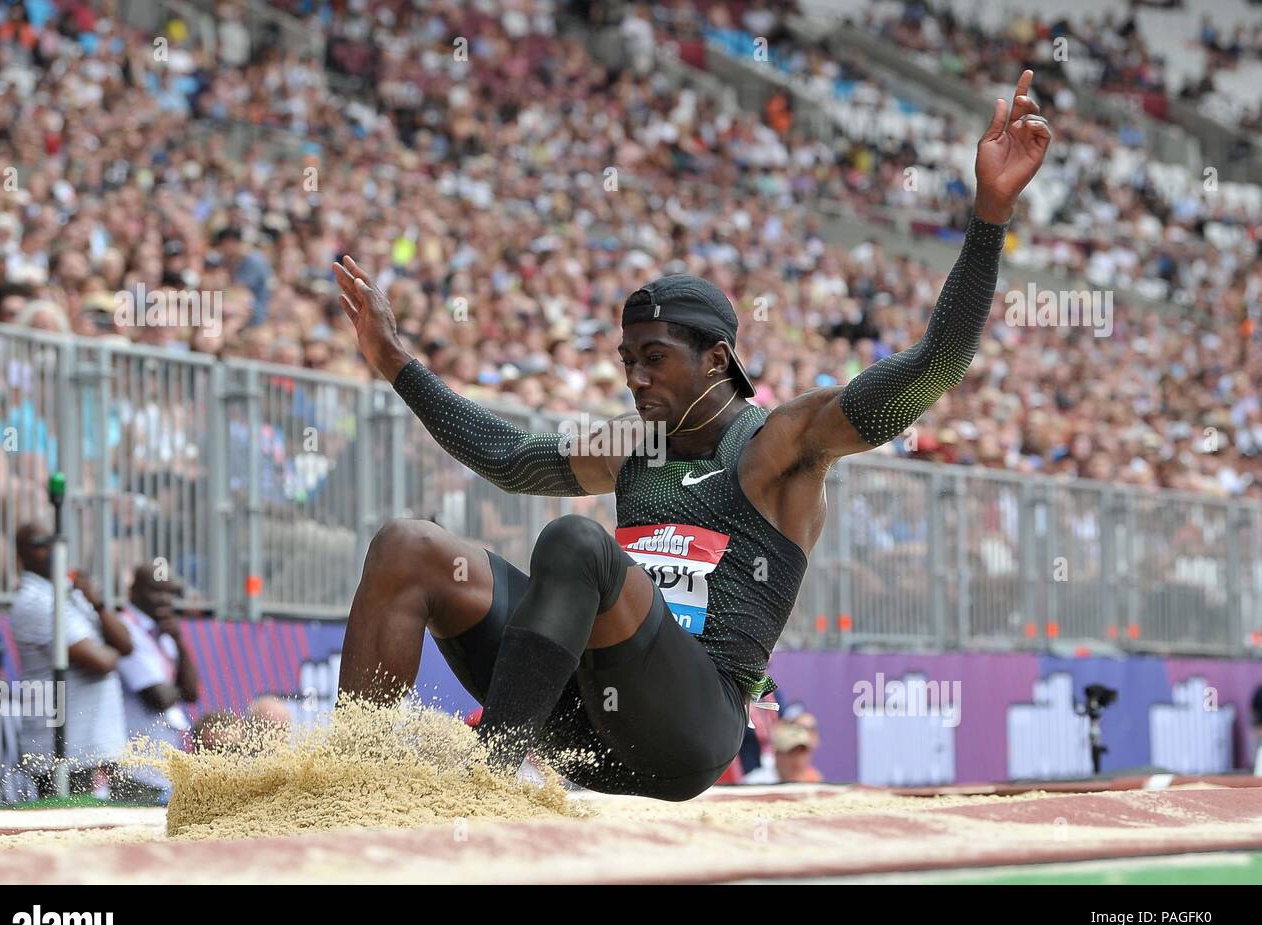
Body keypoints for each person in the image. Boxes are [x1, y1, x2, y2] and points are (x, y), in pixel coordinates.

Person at [332, 73, 1051, 801]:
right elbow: (510, 460)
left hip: (687, 730)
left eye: (654, 360)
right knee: (406, 545)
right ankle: (348, 786)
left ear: (716, 361)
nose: (635, 380)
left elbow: (936, 366)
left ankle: (484, 782)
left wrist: (990, 212)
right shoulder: (634, 446)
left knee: (577, 542)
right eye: (626, 361)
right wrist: (396, 362)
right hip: (586, 722)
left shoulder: (782, 443)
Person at [8, 522, 132, 795]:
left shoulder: (71, 592)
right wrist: (111, 651)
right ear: (21, 555)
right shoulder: (34, 600)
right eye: (40, 545)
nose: (51, 550)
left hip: (92, 743)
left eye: (54, 542)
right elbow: (102, 662)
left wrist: (97, 603)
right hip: (63, 749)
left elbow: (126, 644)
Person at [117, 565, 201, 801]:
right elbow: (159, 698)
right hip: (134, 768)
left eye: (169, 593)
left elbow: (192, 692)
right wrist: (179, 689)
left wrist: (179, 641)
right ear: (134, 592)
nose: (164, 600)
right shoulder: (124, 628)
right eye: (156, 591)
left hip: (162, 767)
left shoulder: (163, 632)